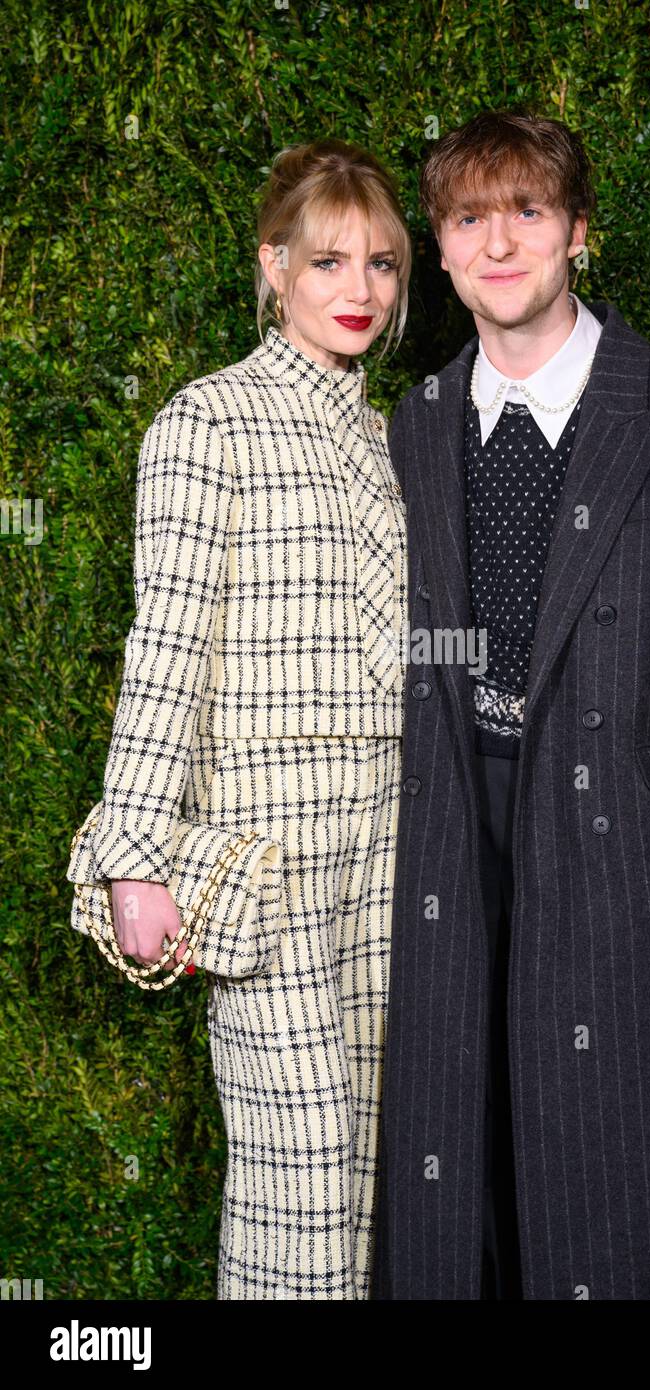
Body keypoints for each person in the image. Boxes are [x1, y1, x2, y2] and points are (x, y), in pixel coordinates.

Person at [371, 109, 650, 1300]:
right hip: (453, 830)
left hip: (619, 834)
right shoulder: (414, 424)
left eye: (525, 213)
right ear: (442, 247)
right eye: (468, 218)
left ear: (576, 234)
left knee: (613, 1170)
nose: (497, 243)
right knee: (461, 1165)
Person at [88, 138, 411, 1299]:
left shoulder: (390, 440)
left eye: (380, 262)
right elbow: (164, 647)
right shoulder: (204, 422)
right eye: (328, 261)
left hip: (387, 841)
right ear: (272, 266)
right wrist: (132, 855)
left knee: (374, 1163)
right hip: (262, 844)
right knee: (304, 1163)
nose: (359, 289)